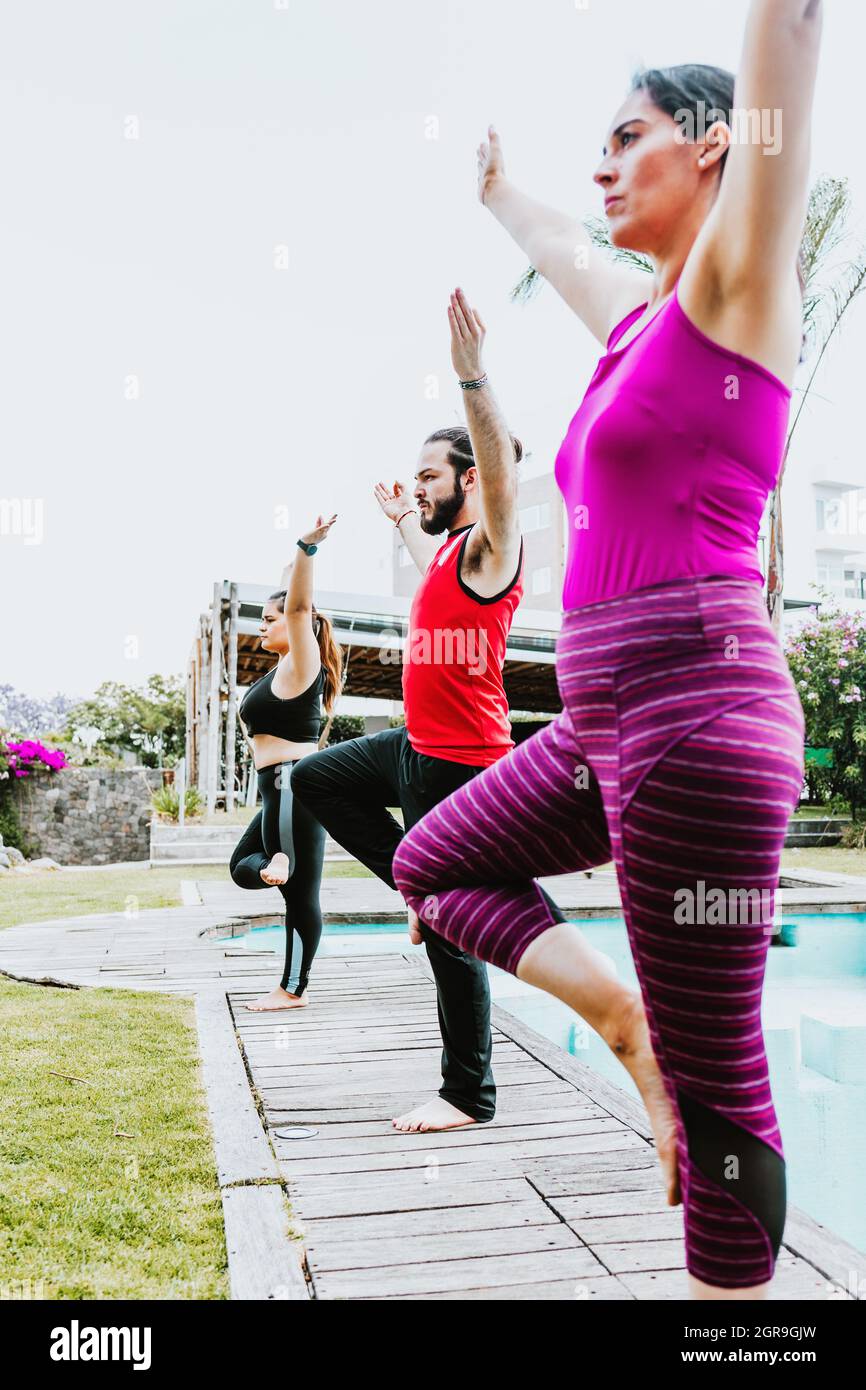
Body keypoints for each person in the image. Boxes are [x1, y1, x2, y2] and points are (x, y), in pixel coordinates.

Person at [393, 1, 822, 1299]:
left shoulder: (741, 283)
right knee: (432, 862)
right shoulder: (643, 332)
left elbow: (788, 48)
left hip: (696, 714)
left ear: (707, 147)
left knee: (720, 1092)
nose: (601, 166)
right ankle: (621, 1019)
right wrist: (500, 194)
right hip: (603, 728)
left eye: (623, 137)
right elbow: (565, 246)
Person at [291, 287, 524, 1133]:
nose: (417, 483)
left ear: (470, 480)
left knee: (458, 941)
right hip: (413, 746)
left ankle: (468, 1094)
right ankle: (421, 892)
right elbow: (430, 550)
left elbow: (500, 480)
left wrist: (473, 379)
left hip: (462, 760)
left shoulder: (496, 546)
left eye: (430, 475)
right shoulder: (444, 556)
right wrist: (402, 523)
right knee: (317, 779)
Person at [230, 515, 342, 1012]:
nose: (263, 623)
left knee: (299, 898)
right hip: (276, 789)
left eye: (269, 618)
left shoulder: (303, 662)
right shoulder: (281, 671)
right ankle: (277, 863)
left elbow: (296, 603)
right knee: (240, 868)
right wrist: (293, 559)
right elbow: (289, 593)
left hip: (294, 785)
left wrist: (307, 548)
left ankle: (291, 991)